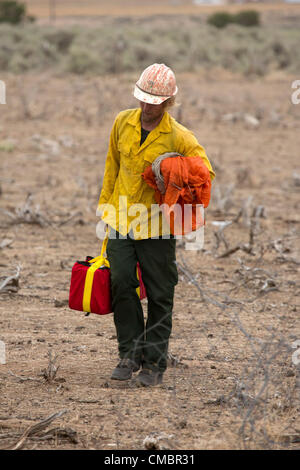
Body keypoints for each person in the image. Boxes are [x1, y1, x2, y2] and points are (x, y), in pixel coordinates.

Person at [97, 63, 215, 386]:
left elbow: (206, 173)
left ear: (168, 102)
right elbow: (113, 165)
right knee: (120, 282)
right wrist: (105, 209)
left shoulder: (179, 136)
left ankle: (154, 364)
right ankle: (129, 354)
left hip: (158, 227)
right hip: (121, 218)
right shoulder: (122, 122)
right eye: (143, 98)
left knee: (162, 295)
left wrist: (178, 170)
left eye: (154, 100)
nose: (147, 105)